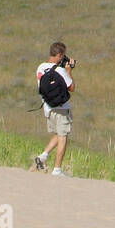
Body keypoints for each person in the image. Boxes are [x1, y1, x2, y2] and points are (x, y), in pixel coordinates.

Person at [32, 42, 76, 176]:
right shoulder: (60, 70)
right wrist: (69, 71)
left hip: (48, 107)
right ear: (59, 55)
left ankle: (43, 156)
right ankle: (57, 169)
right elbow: (72, 87)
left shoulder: (41, 67)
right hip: (61, 108)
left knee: (58, 133)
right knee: (63, 137)